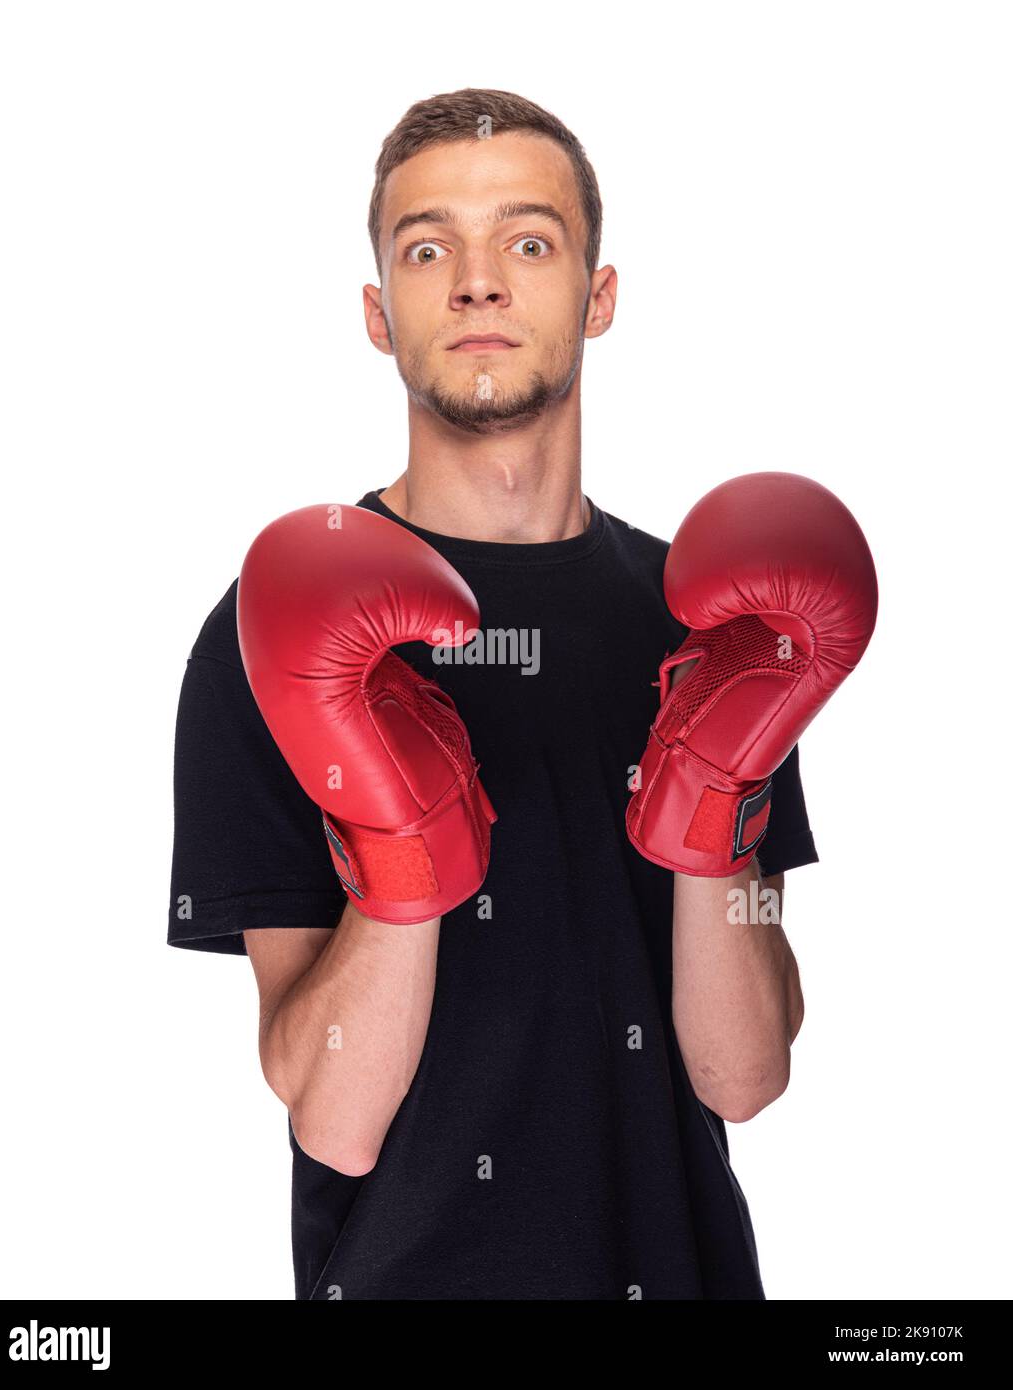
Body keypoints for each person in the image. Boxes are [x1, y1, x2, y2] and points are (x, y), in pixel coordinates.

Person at [168, 88, 834, 1300]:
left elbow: (744, 1075)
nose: (478, 282)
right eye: (429, 247)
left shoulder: (716, 621)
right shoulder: (271, 631)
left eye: (528, 240)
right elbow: (334, 1115)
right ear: (380, 313)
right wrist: (400, 843)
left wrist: (712, 796)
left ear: (598, 296)